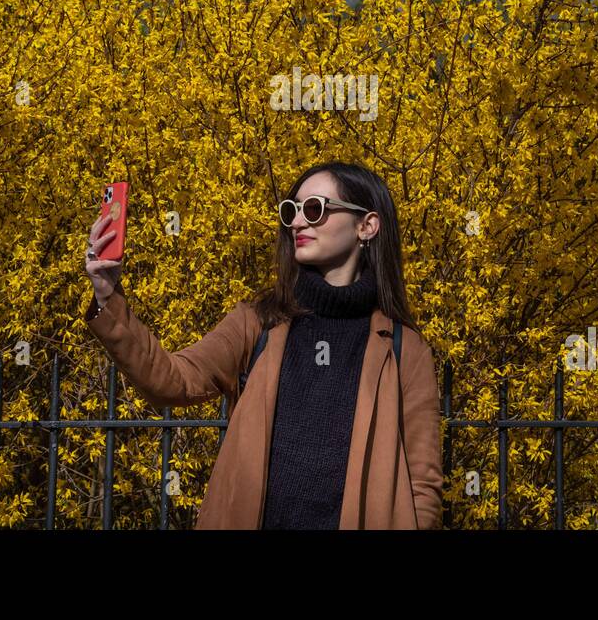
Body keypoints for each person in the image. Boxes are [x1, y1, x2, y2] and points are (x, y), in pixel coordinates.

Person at [82, 160, 444, 529]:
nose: (298, 222)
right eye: (293, 211)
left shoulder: (403, 349)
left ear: (366, 226)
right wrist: (109, 298)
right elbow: (173, 381)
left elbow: (421, 487)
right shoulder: (258, 322)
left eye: (315, 209)